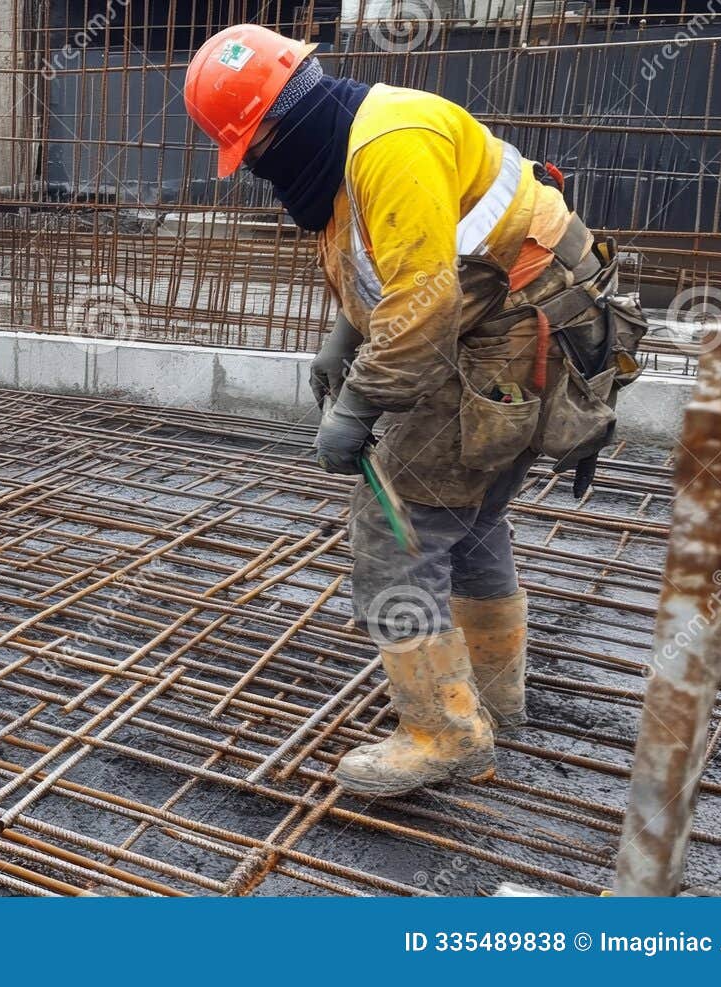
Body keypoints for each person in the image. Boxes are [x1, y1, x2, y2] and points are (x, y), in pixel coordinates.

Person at [186, 25, 628, 796]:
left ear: (273, 129)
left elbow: (426, 302)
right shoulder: (350, 138)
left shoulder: (387, 146)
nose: (255, 170)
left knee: (397, 524)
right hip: (518, 325)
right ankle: (491, 698)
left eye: (250, 152)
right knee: (469, 517)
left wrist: (356, 405)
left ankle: (442, 731)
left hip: (520, 334)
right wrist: (342, 339)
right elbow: (401, 261)